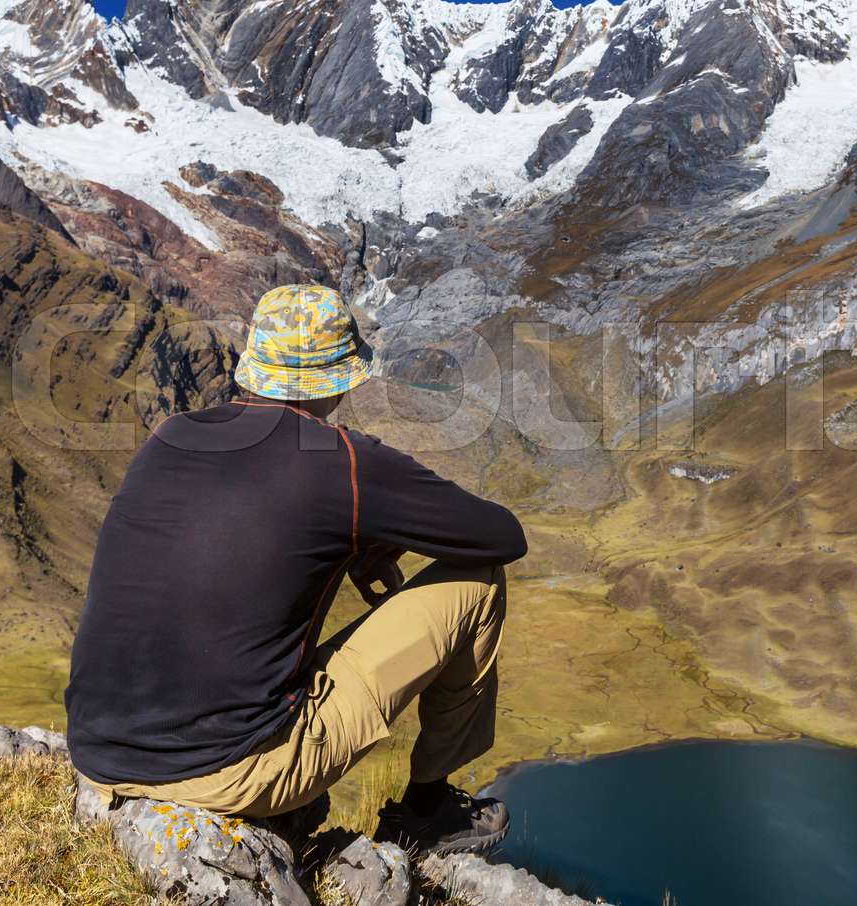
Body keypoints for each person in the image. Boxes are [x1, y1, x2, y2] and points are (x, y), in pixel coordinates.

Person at [65, 283, 525, 854]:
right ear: (340, 378)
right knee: (477, 584)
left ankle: (293, 804)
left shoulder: (170, 436)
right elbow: (501, 537)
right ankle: (429, 812)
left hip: (96, 754)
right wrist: (372, 532)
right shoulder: (342, 461)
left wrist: (353, 544)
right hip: (230, 771)